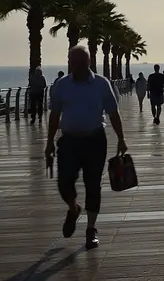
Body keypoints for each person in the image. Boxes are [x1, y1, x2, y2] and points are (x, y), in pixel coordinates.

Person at [45, 45, 127, 250]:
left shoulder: (101, 84)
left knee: (93, 185)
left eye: (81, 62)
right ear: (69, 62)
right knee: (64, 182)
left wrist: (121, 138)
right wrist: (48, 143)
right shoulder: (62, 85)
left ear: (89, 62)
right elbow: (54, 116)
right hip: (69, 141)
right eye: (73, 62)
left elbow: (113, 113)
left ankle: (91, 229)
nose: (77, 66)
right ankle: (74, 208)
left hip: (95, 141)